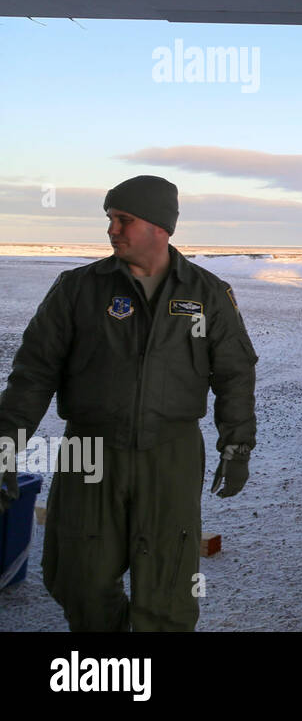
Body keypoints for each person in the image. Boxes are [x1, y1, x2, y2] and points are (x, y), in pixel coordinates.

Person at [0, 175, 257, 631]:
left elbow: (235, 374)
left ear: (160, 226)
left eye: (123, 219)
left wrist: (236, 446)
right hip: (89, 450)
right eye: (110, 220)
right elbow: (34, 374)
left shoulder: (207, 293)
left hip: (171, 452)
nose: (112, 230)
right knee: (75, 574)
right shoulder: (78, 289)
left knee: (167, 584)